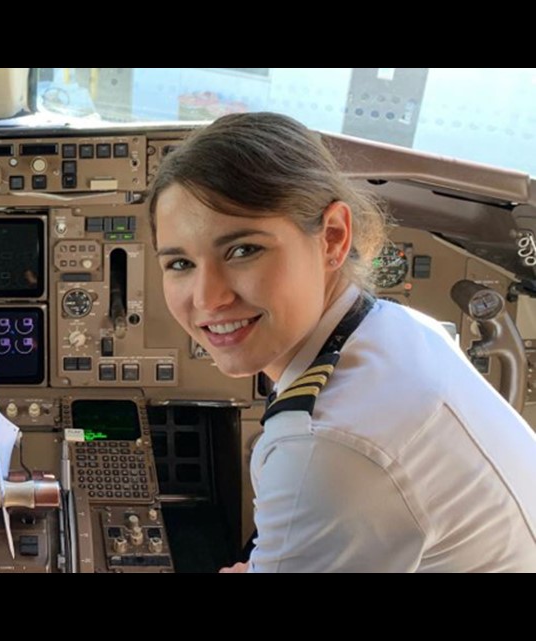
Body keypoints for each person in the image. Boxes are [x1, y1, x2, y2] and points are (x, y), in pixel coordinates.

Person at [150, 112, 536, 572]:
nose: (209, 298)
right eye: (180, 264)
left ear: (333, 237)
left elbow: (335, 472)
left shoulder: (328, 445)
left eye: (243, 250)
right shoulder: (396, 326)